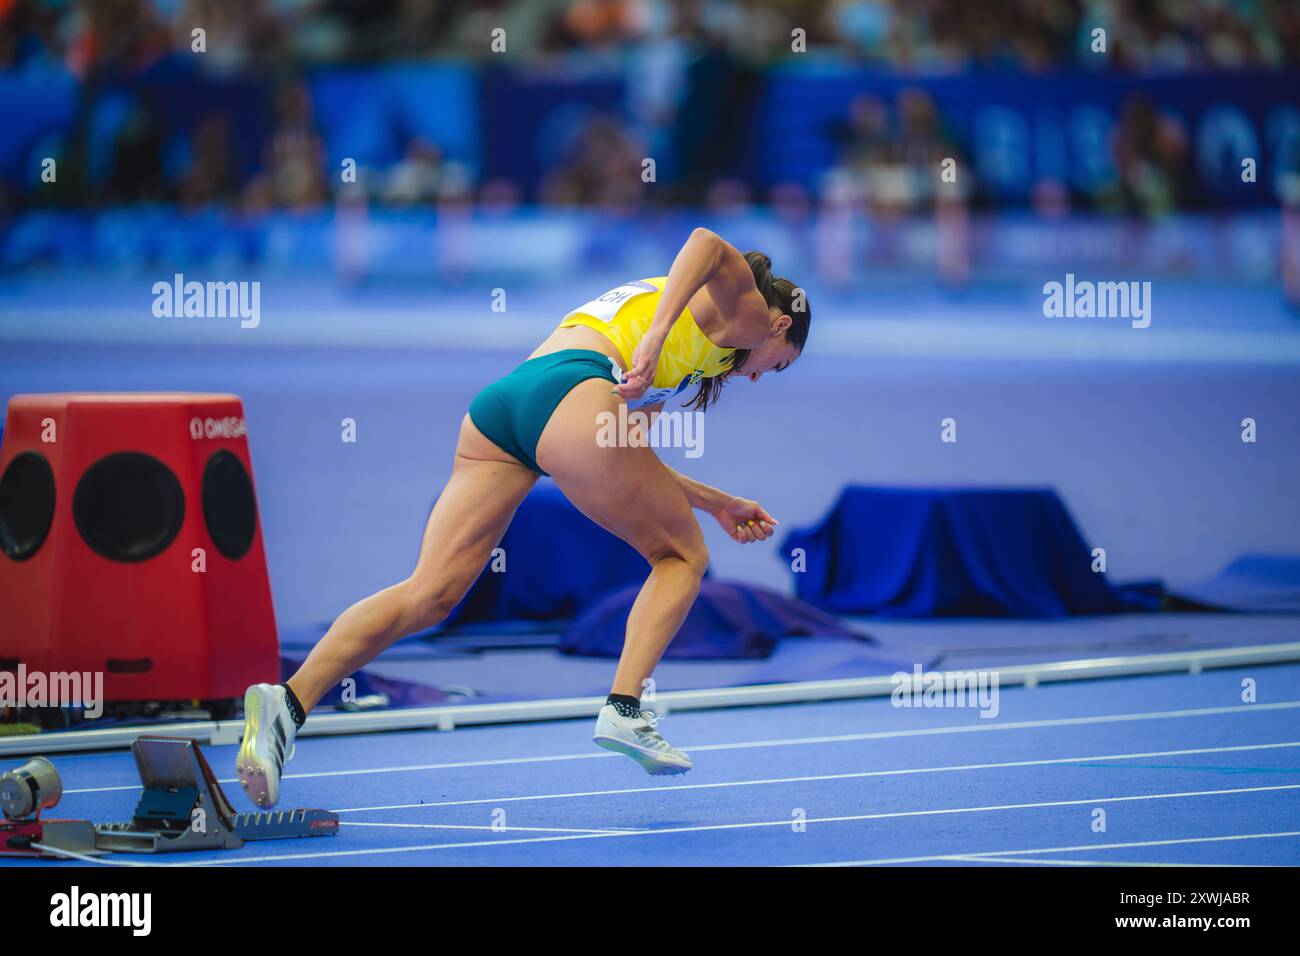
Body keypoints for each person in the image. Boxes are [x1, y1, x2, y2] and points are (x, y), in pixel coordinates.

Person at [237, 228, 811, 806]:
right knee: (681, 558)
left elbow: (625, 459)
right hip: (577, 389)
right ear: (781, 328)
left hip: (508, 408)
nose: (759, 376)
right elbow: (705, 242)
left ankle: (286, 703)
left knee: (430, 593)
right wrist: (656, 338)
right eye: (776, 367)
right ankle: (625, 709)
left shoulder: (680, 370)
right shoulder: (752, 316)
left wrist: (716, 503)